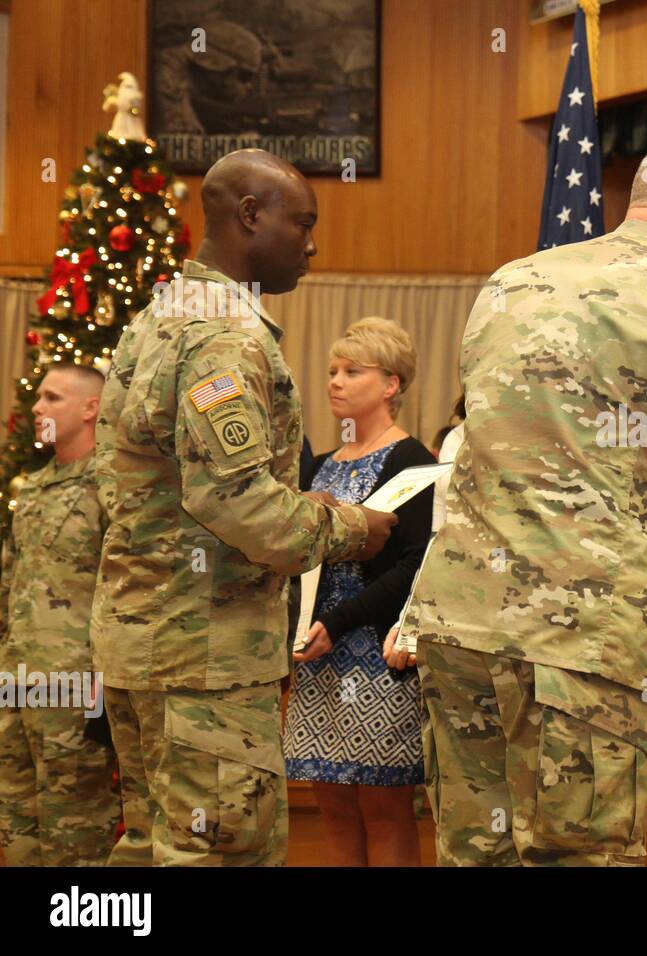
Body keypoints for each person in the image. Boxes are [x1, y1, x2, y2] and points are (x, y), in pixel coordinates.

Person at [392, 137, 647, 866]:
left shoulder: (513, 280)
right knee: (582, 857)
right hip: (576, 638)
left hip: (457, 624)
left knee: (476, 856)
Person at [92, 148, 396, 867]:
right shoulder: (225, 337)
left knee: (151, 851)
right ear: (249, 215)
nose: (312, 243)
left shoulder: (159, 317)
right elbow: (236, 501)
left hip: (142, 646)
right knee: (222, 854)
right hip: (207, 655)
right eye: (303, 223)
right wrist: (356, 527)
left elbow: (127, 478)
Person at [284, 317, 435, 867]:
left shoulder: (412, 460)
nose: (335, 381)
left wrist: (341, 620)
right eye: (331, 371)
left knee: (385, 810)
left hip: (376, 653)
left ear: (391, 384)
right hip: (317, 656)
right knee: (335, 811)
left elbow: (417, 565)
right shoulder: (319, 465)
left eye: (352, 371)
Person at [0, 364, 119, 866]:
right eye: (39, 398)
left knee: (76, 822)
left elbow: (125, 589)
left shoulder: (112, 485)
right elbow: (11, 581)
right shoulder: (32, 487)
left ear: (91, 408)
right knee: (15, 815)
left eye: (52, 398)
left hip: (76, 683)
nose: (38, 408)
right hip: (17, 676)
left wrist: (106, 678)